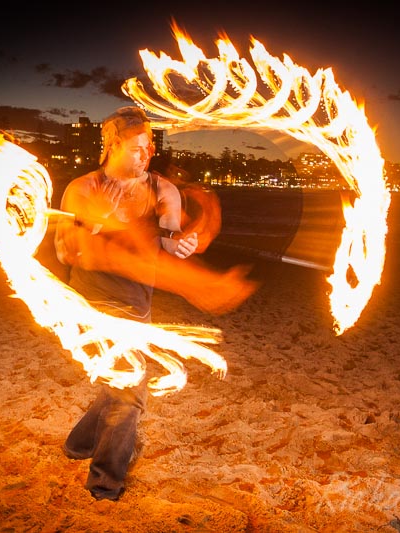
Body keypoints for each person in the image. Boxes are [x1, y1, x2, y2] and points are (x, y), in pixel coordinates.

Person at [54, 106, 256, 500]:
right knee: (131, 388)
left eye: (149, 147)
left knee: (117, 381)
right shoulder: (83, 189)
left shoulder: (163, 190)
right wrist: (95, 225)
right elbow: (65, 252)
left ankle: (78, 444)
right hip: (93, 303)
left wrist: (182, 246)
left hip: (137, 302)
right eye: (135, 148)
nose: (145, 156)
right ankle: (105, 481)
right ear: (112, 146)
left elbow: (169, 239)